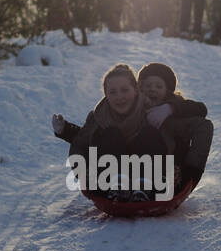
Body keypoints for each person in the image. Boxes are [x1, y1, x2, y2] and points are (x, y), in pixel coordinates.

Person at [51, 64, 167, 198]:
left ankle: (144, 186)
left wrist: (171, 108)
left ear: (135, 90)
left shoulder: (151, 109)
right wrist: (84, 173)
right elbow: (81, 144)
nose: (119, 96)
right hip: (108, 177)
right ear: (106, 95)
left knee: (149, 134)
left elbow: (176, 128)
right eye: (113, 92)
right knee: (111, 134)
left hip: (146, 172)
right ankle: (117, 186)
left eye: (124, 90)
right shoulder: (100, 117)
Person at [135, 62, 213, 190]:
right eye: (148, 85)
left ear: (167, 91)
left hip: (172, 162)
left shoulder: (175, 105)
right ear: (141, 88)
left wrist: (170, 108)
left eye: (159, 86)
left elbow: (201, 109)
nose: (153, 89)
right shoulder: (134, 106)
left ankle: (187, 172)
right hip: (141, 163)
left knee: (203, 126)